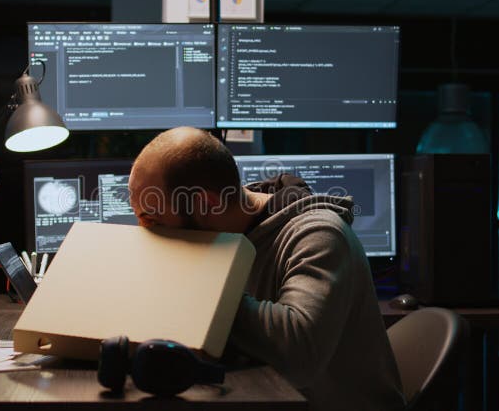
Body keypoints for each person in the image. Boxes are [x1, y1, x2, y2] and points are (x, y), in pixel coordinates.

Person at [128, 127, 405, 411]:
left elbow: (300, 356)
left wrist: (197, 284)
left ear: (205, 203)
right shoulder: (224, 233)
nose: (147, 232)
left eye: (154, 220)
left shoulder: (320, 236)